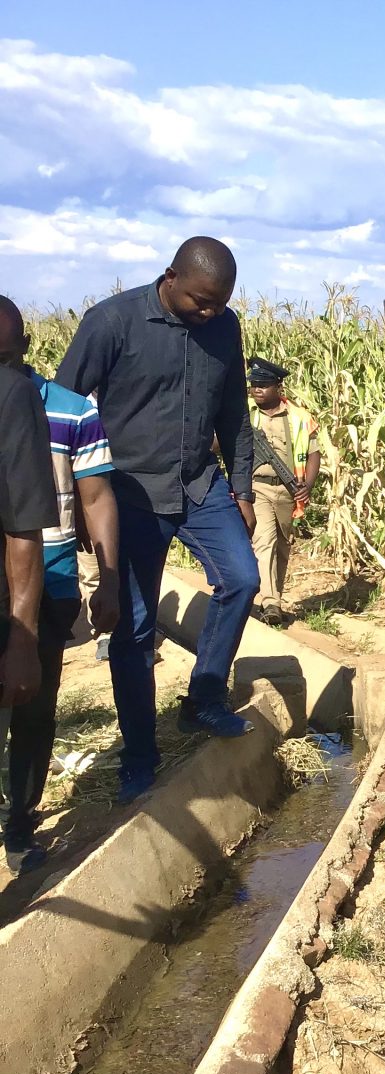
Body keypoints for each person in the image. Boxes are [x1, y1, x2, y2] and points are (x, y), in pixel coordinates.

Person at [54, 236, 261, 804]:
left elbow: (235, 414)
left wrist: (241, 489)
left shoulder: (224, 327)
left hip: (199, 482)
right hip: (131, 494)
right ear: (169, 277)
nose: (210, 312)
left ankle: (203, 699)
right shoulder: (111, 323)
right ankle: (140, 756)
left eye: (220, 303)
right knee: (135, 629)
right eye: (200, 301)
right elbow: (63, 409)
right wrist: (73, 503)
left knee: (242, 580)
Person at [0, 297, 119, 872]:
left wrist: (109, 579)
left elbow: (95, 497)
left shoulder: (70, 411)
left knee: (33, 707)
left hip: (48, 581)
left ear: (25, 348)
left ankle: (19, 824)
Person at [0, 360, 58, 859]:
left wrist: (23, 635)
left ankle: (17, 829)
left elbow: (23, 529)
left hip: (24, 602)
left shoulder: (13, 394)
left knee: (31, 722)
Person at [247, 355, 320, 626]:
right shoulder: (245, 413)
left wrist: (307, 487)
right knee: (263, 540)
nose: (256, 389)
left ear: (278, 388)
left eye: (263, 385)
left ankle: (274, 597)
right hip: (257, 488)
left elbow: (314, 454)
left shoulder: (300, 419)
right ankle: (270, 602)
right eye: (254, 384)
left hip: (288, 490)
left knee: (282, 545)